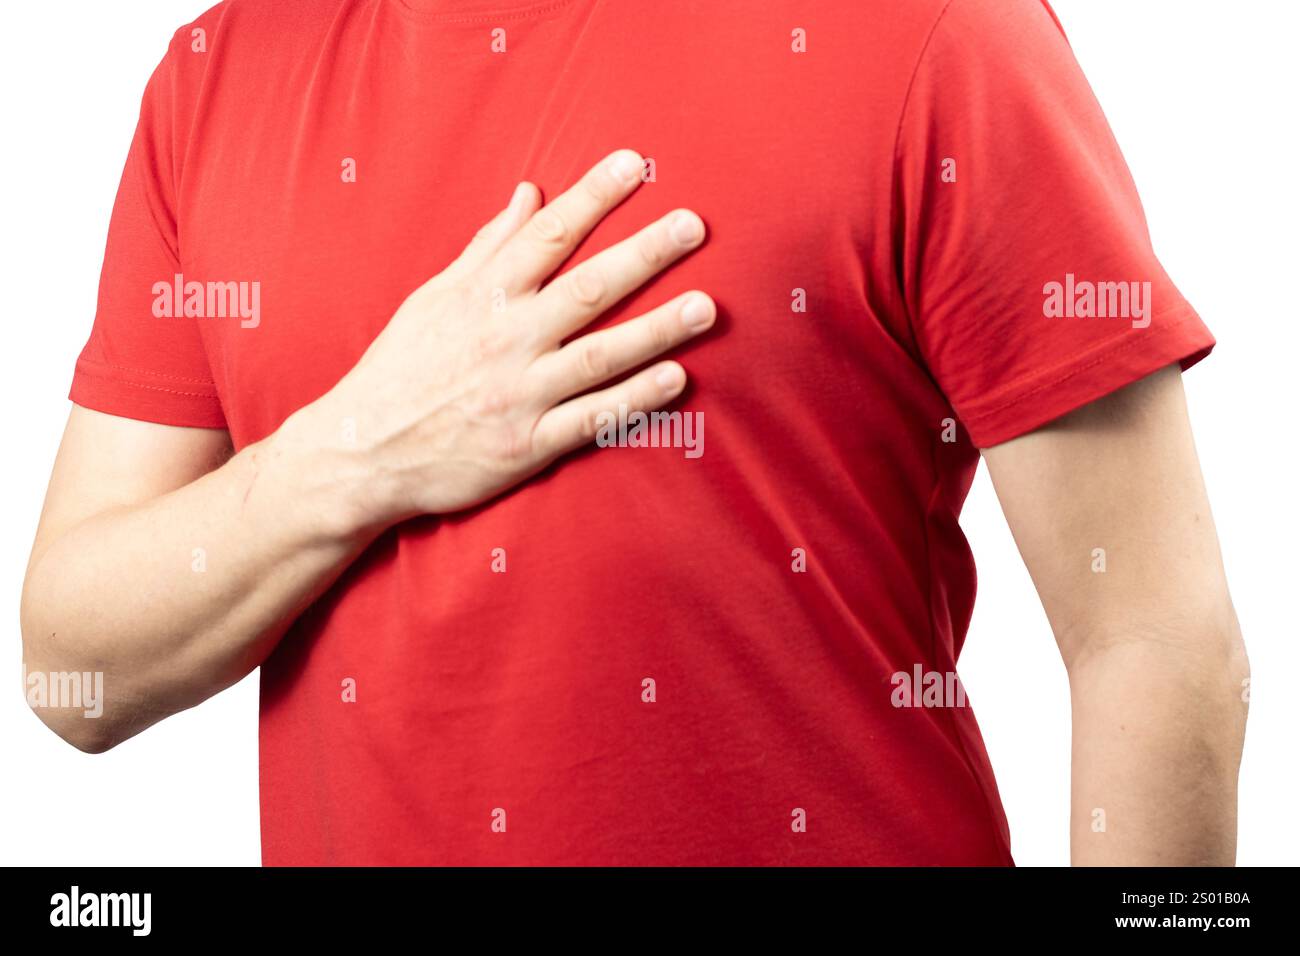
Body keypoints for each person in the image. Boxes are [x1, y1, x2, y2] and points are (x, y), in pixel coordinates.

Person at [21, 0, 1248, 865]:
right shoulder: (215, 71)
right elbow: (73, 666)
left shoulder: (925, 29)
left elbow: (1154, 636)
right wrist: (359, 451)